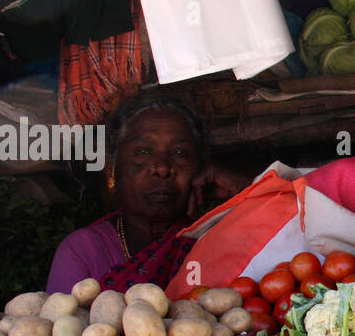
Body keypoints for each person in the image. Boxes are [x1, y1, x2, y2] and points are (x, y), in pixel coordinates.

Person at [45, 91, 251, 294]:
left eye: (179, 153)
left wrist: (249, 190)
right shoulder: (83, 251)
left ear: (200, 168)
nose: (162, 167)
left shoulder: (214, 241)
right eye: (142, 152)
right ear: (113, 169)